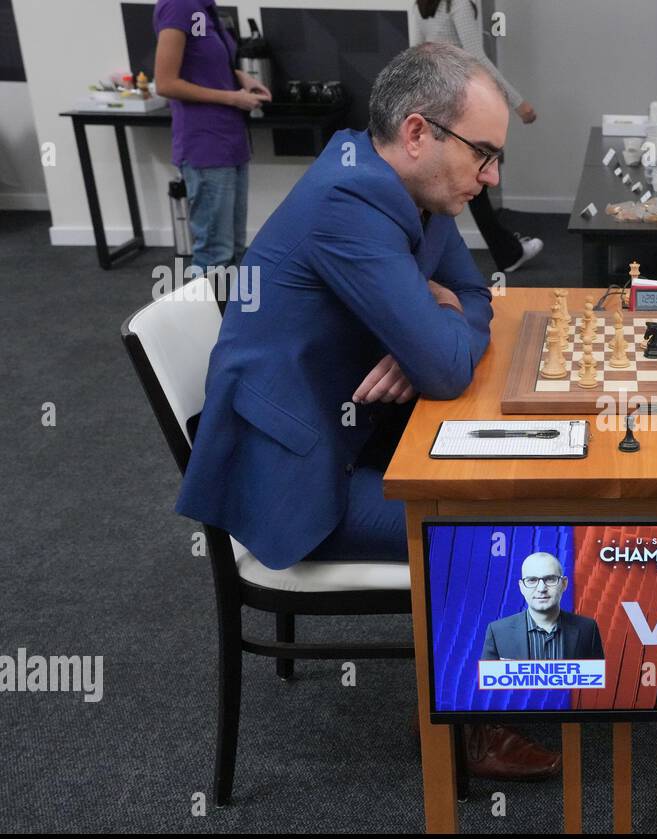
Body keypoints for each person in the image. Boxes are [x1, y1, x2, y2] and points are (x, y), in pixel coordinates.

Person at [177, 43, 503, 568]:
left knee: (510, 477)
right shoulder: (349, 200)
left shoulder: (420, 189)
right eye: (482, 153)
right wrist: (432, 329)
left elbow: (475, 293)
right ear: (417, 133)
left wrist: (429, 332)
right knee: (503, 533)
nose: (492, 177)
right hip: (297, 482)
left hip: (359, 430)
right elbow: (444, 369)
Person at [410, 0, 543, 272]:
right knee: (473, 180)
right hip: (456, 106)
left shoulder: (421, 4)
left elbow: (417, 54)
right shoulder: (458, 3)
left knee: (440, 186)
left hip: (432, 105)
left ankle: (505, 250)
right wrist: (518, 102)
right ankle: (508, 252)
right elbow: (477, 59)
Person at [153, 0, 270, 274]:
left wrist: (241, 77)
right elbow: (166, 82)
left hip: (231, 141)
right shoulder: (177, 6)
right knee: (215, 254)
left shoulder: (205, 7)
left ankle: (233, 315)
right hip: (205, 145)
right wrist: (231, 98)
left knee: (235, 249)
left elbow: (205, 62)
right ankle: (207, 316)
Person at [481, 554, 605, 660]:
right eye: (531, 580)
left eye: (550, 579)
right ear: (521, 587)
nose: (541, 589)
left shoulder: (588, 629)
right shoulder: (498, 631)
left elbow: (598, 685)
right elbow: (487, 686)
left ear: (564, 584)